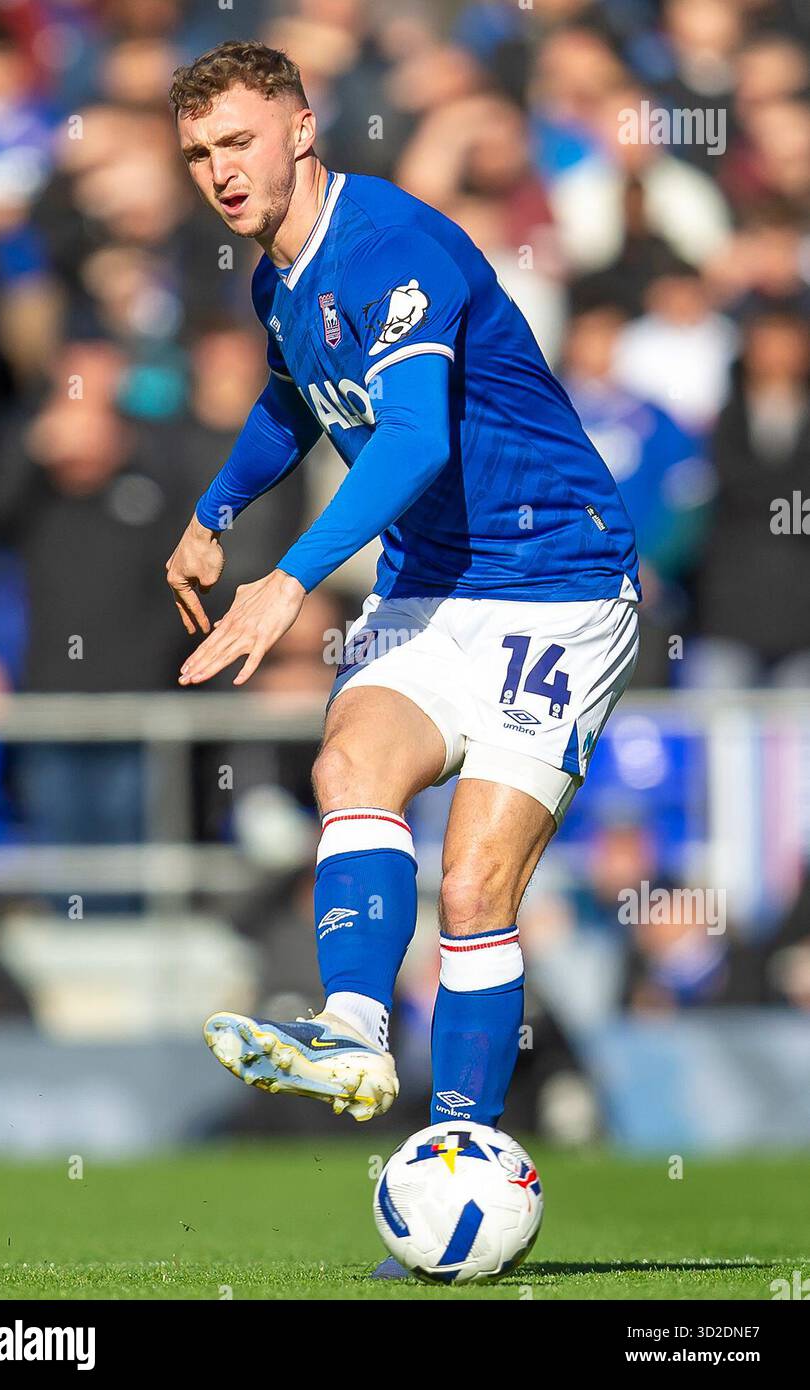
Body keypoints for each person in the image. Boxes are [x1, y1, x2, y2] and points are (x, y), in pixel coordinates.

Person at [164, 41, 640, 1157]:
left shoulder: (389, 247)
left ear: (299, 128)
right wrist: (212, 515)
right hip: (432, 582)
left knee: (472, 889)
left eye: (238, 140)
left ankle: (460, 1156)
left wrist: (288, 580)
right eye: (196, 152)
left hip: (554, 582)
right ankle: (352, 1032)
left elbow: (416, 438)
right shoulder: (278, 275)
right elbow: (294, 399)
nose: (219, 171)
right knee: (348, 767)